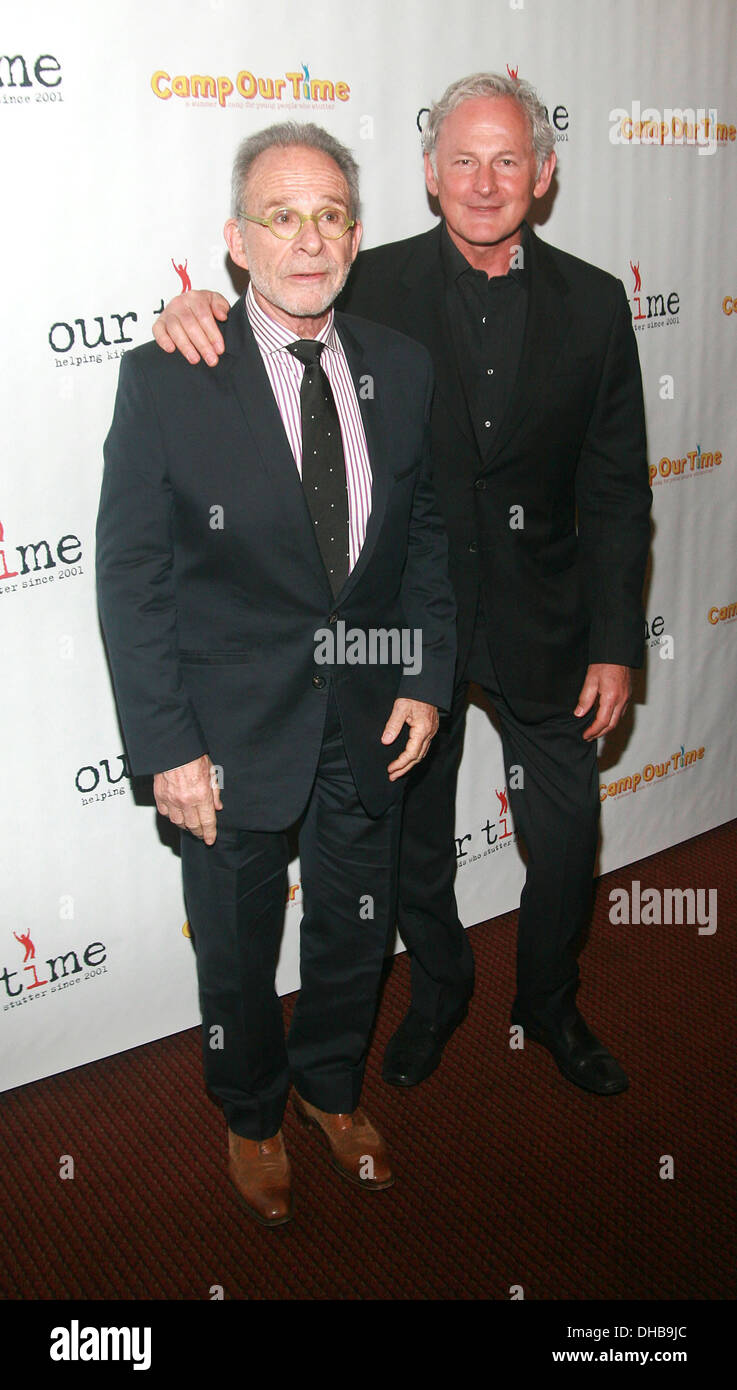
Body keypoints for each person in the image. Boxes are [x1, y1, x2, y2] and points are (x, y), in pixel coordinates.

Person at [151, 72, 652, 1099]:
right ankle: (437, 991)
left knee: (561, 836)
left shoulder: (596, 303)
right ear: (428, 175)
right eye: (460, 159)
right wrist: (188, 308)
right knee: (410, 846)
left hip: (545, 623)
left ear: (543, 175)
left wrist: (615, 640)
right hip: (400, 631)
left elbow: (613, 488)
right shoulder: (356, 277)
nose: (482, 180)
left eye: (506, 158)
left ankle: (548, 1001)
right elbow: (263, 316)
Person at [96, 121, 457, 1228]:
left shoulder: (401, 366)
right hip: (227, 735)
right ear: (236, 241)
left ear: (355, 231)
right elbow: (132, 574)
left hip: (367, 715)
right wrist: (165, 745)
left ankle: (328, 1087)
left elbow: (431, 533)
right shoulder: (169, 375)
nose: (308, 239)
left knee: (352, 929)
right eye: (281, 216)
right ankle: (250, 1109)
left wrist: (426, 673)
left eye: (330, 213)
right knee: (240, 951)